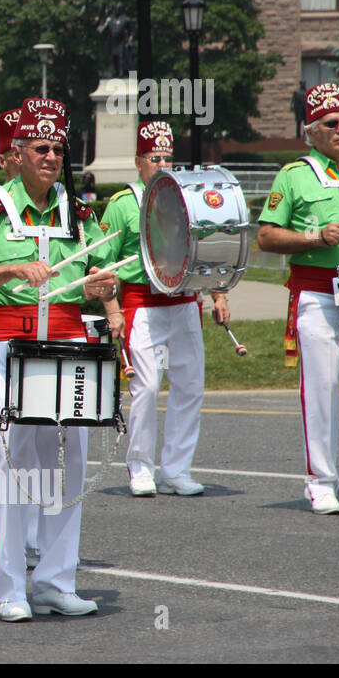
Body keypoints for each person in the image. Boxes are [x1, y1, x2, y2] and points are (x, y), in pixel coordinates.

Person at [0, 100, 117, 622]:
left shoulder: (80, 210)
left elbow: (100, 269)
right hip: (8, 347)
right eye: (41, 147)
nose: (52, 156)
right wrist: (11, 268)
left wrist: (105, 291)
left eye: (58, 147)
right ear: (15, 155)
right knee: (11, 465)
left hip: (67, 342)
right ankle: (12, 587)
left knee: (71, 465)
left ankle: (57, 582)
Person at [99, 122, 229, 498]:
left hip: (185, 300)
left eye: (168, 158)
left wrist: (218, 293)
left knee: (190, 386)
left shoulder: (187, 197)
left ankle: (176, 469)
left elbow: (209, 246)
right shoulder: (124, 203)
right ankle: (140, 467)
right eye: (154, 158)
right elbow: (104, 263)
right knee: (146, 387)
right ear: (139, 162)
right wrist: (113, 308)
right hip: (143, 302)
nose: (162, 164)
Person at [257, 83, 339, 515]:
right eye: (331, 124)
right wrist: (314, 236)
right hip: (318, 293)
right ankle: (320, 480)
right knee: (321, 389)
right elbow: (265, 235)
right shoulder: (294, 175)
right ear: (311, 132)